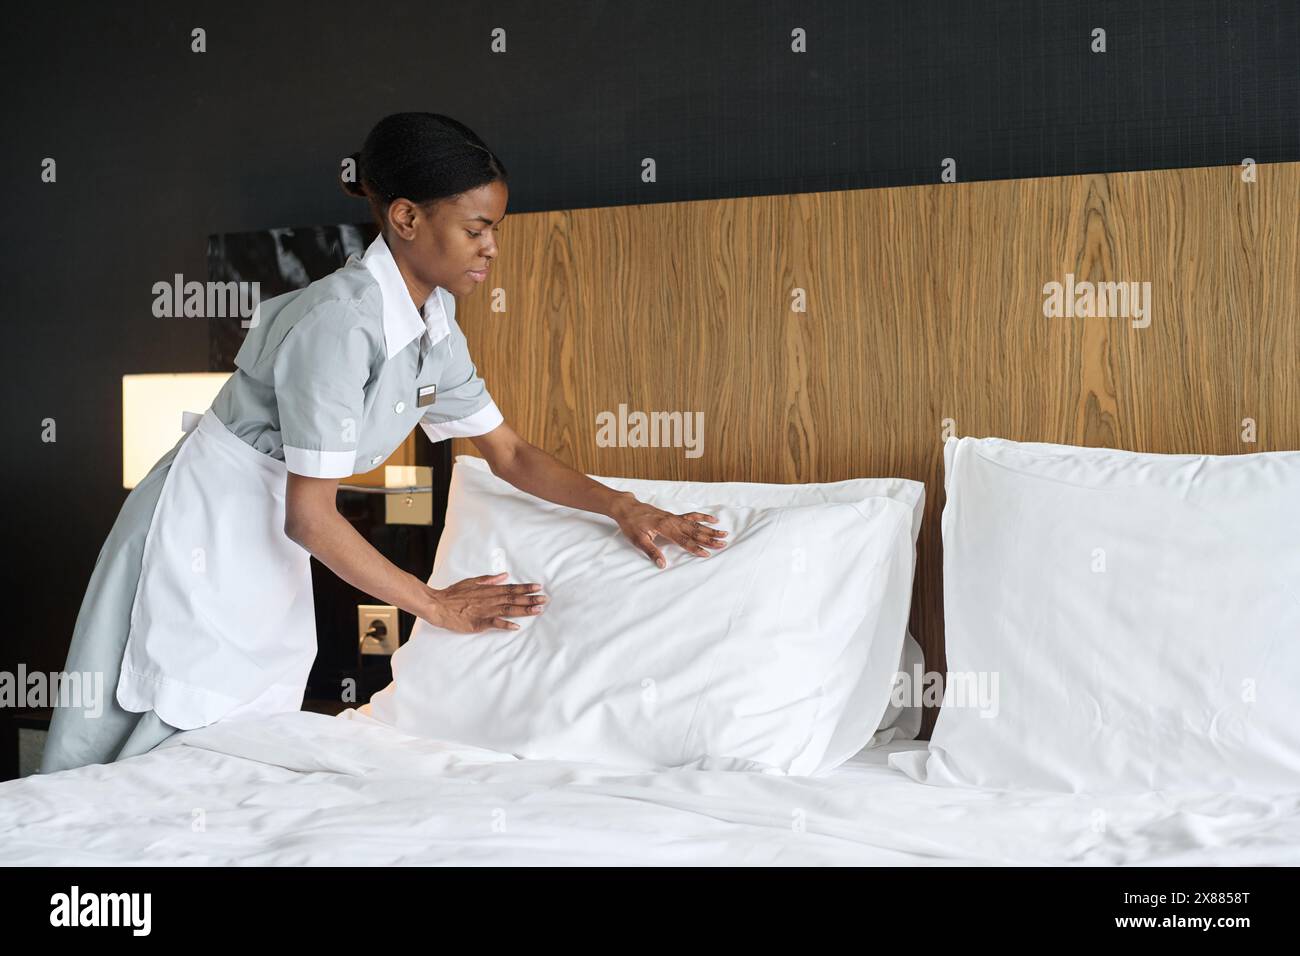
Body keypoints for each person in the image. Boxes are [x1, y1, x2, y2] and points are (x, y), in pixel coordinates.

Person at [40, 112, 728, 775]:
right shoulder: (340, 324)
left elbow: (509, 453)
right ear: (405, 218)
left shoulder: (435, 320)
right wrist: (437, 604)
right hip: (208, 522)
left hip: (269, 531)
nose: (492, 246)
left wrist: (625, 507)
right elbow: (309, 516)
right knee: (177, 707)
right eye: (476, 228)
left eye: (495, 228)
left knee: (239, 723)